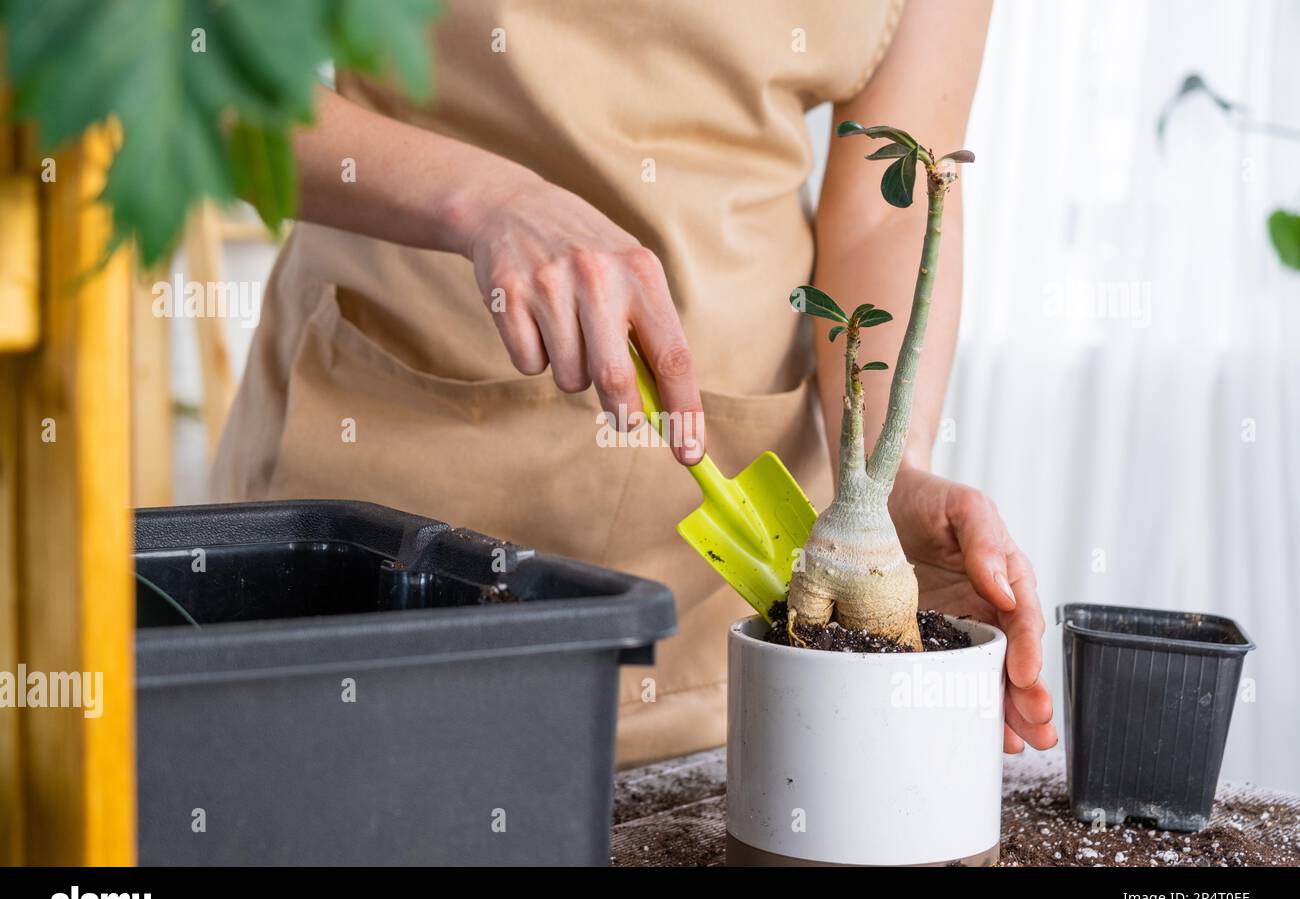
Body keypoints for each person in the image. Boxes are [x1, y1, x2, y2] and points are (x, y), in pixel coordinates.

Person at [213, 0, 1055, 765]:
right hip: (385, 502)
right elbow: (188, 75)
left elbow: (886, 206)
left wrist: (884, 479)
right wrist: (485, 200)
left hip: (719, 595)